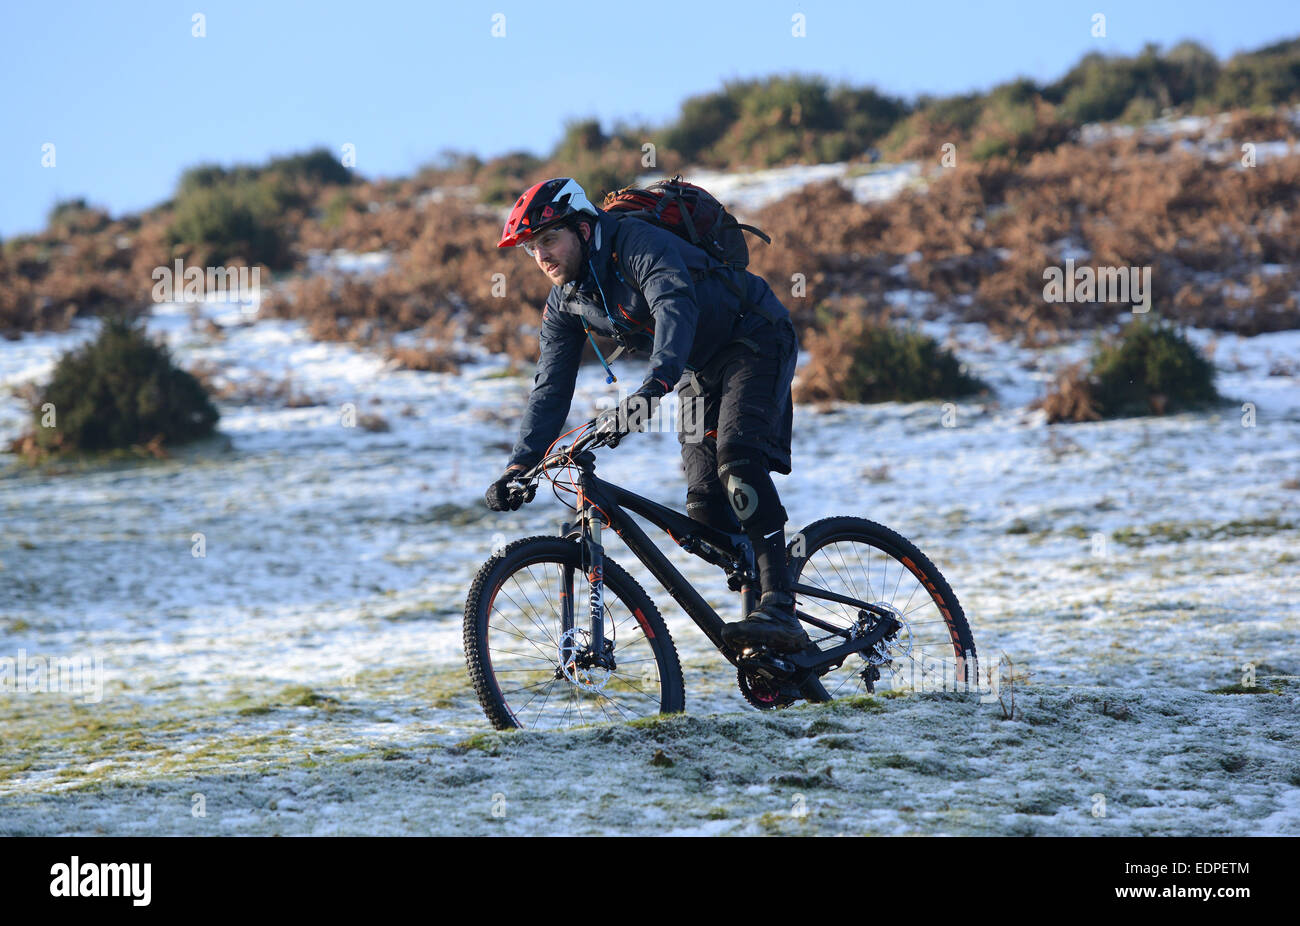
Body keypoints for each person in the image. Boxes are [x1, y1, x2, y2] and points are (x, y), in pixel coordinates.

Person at [484, 177, 809, 653]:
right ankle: (758, 604)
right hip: (698, 367)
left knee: (737, 462)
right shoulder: (566, 301)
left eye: (549, 240)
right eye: (532, 248)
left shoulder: (635, 243)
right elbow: (551, 384)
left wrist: (653, 387)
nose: (542, 256)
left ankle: (779, 605)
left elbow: (672, 305)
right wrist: (520, 464)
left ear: (583, 227)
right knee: (704, 506)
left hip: (755, 338)